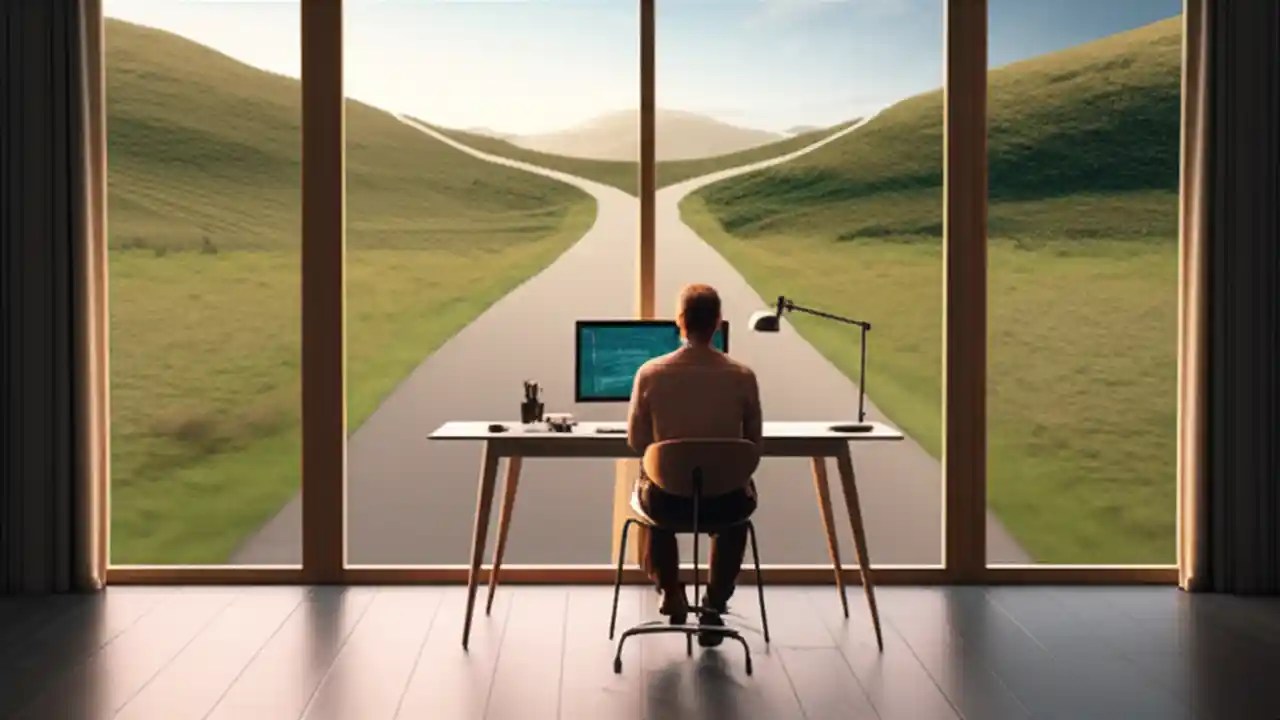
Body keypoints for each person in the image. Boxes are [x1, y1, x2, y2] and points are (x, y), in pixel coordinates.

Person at [626, 283, 762, 646]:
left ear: (680, 322)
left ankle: (670, 590)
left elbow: (637, 443)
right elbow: (754, 446)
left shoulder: (650, 373)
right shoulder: (743, 376)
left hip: (668, 502)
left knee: (649, 494)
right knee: (736, 516)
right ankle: (715, 605)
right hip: (725, 502)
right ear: (718, 323)